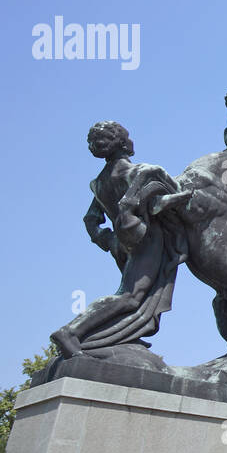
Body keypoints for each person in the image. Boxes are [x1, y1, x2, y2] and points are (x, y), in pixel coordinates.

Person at [50, 121, 186, 358]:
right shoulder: (142, 172)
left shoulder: (99, 183)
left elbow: (90, 219)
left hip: (123, 245)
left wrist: (110, 241)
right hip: (147, 238)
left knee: (132, 295)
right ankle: (71, 332)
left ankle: (122, 335)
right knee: (130, 296)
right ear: (123, 143)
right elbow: (173, 198)